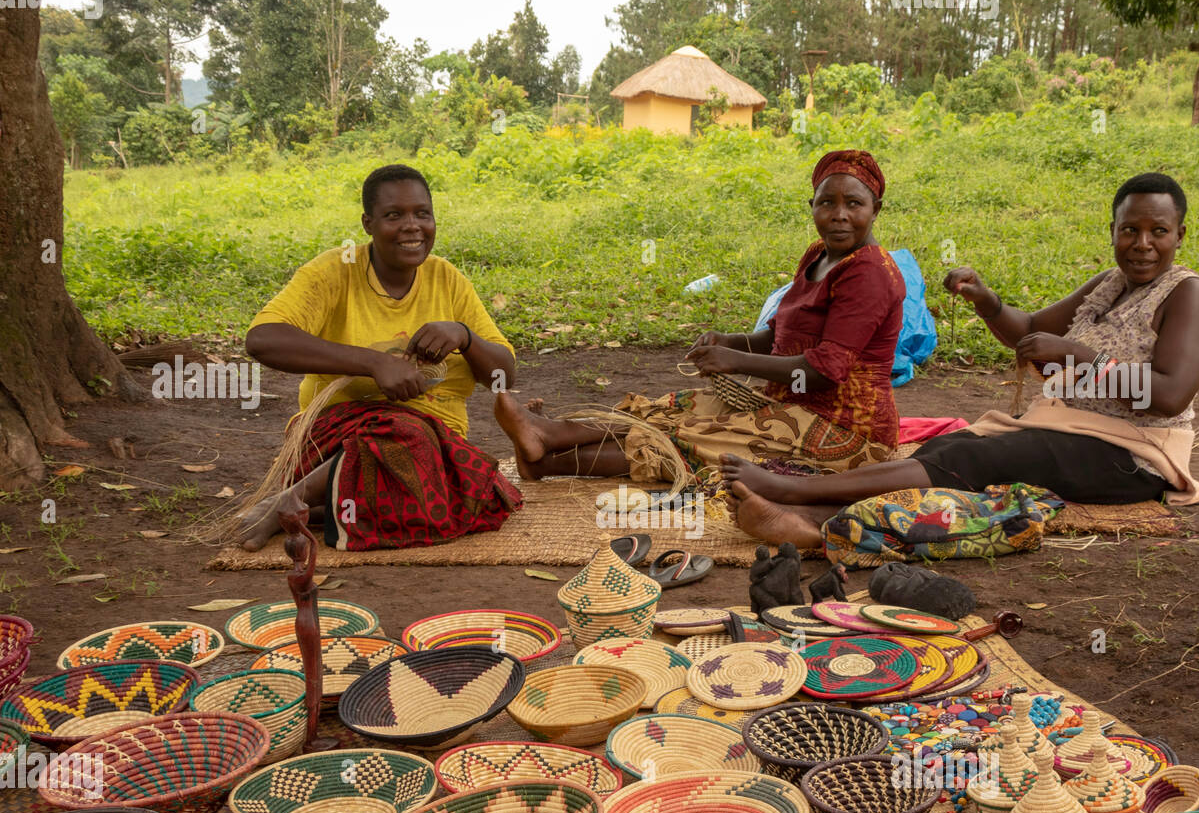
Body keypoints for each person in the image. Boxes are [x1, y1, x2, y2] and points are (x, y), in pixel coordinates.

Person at [724, 172, 1199, 551]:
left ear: (1181, 234)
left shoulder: (1188, 294)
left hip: (1135, 458)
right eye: (1129, 230)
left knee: (976, 459)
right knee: (950, 449)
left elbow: (1170, 394)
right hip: (1071, 431)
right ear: (1111, 230)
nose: (1142, 244)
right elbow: (1028, 332)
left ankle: (793, 491)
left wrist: (1078, 355)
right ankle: (817, 520)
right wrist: (985, 299)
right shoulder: (1108, 284)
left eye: (1159, 231)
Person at [494, 149, 904, 487]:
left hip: (845, 432)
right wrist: (728, 341)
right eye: (827, 202)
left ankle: (546, 464)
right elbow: (779, 338)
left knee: (684, 437)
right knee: (673, 408)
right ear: (810, 206)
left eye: (854, 203)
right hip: (788, 409)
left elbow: (824, 371)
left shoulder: (869, 273)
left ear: (876, 209)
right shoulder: (818, 256)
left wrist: (736, 361)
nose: (839, 214)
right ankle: (545, 435)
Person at [236, 164, 522, 551]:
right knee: (407, 436)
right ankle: (300, 498)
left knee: (481, 490)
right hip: (332, 444)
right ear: (368, 223)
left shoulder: (447, 280)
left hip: (436, 453)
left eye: (423, 213)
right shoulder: (335, 271)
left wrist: (464, 336)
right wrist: (373, 362)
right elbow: (263, 339)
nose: (412, 226)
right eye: (394, 215)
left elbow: (503, 376)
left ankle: (319, 507)